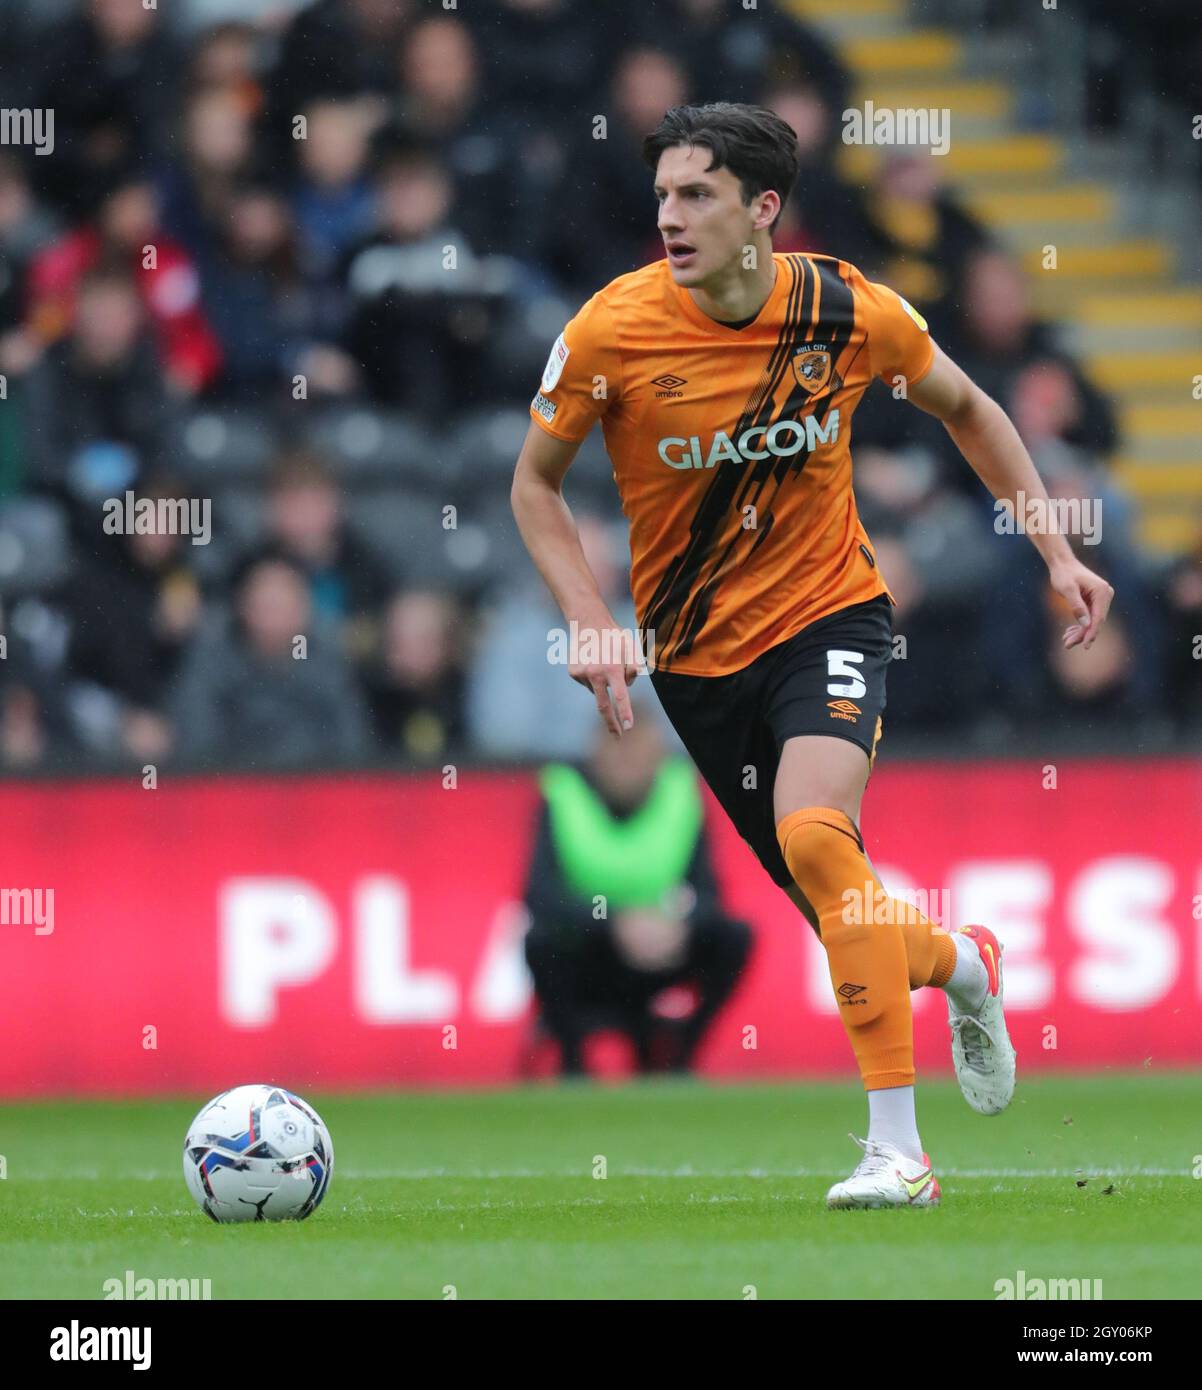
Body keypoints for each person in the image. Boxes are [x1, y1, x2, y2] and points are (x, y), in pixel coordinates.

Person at [510, 102, 1115, 1209]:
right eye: (661, 196)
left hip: (830, 617)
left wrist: (1053, 549)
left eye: (696, 195)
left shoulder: (845, 309)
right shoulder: (610, 332)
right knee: (842, 911)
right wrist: (590, 613)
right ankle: (967, 963)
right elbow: (532, 485)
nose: (671, 217)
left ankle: (898, 1152)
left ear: (762, 210)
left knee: (816, 837)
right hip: (695, 663)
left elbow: (970, 409)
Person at [522, 707, 752, 1077]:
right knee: (540, 943)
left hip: (660, 951)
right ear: (596, 752)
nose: (629, 764)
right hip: (590, 953)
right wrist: (615, 924)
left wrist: (677, 923)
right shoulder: (563, 790)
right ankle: (574, 1064)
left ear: (659, 756)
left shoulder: (679, 791)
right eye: (619, 751)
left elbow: (708, 894)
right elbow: (540, 897)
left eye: (641, 753)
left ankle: (681, 1057)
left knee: (735, 937)